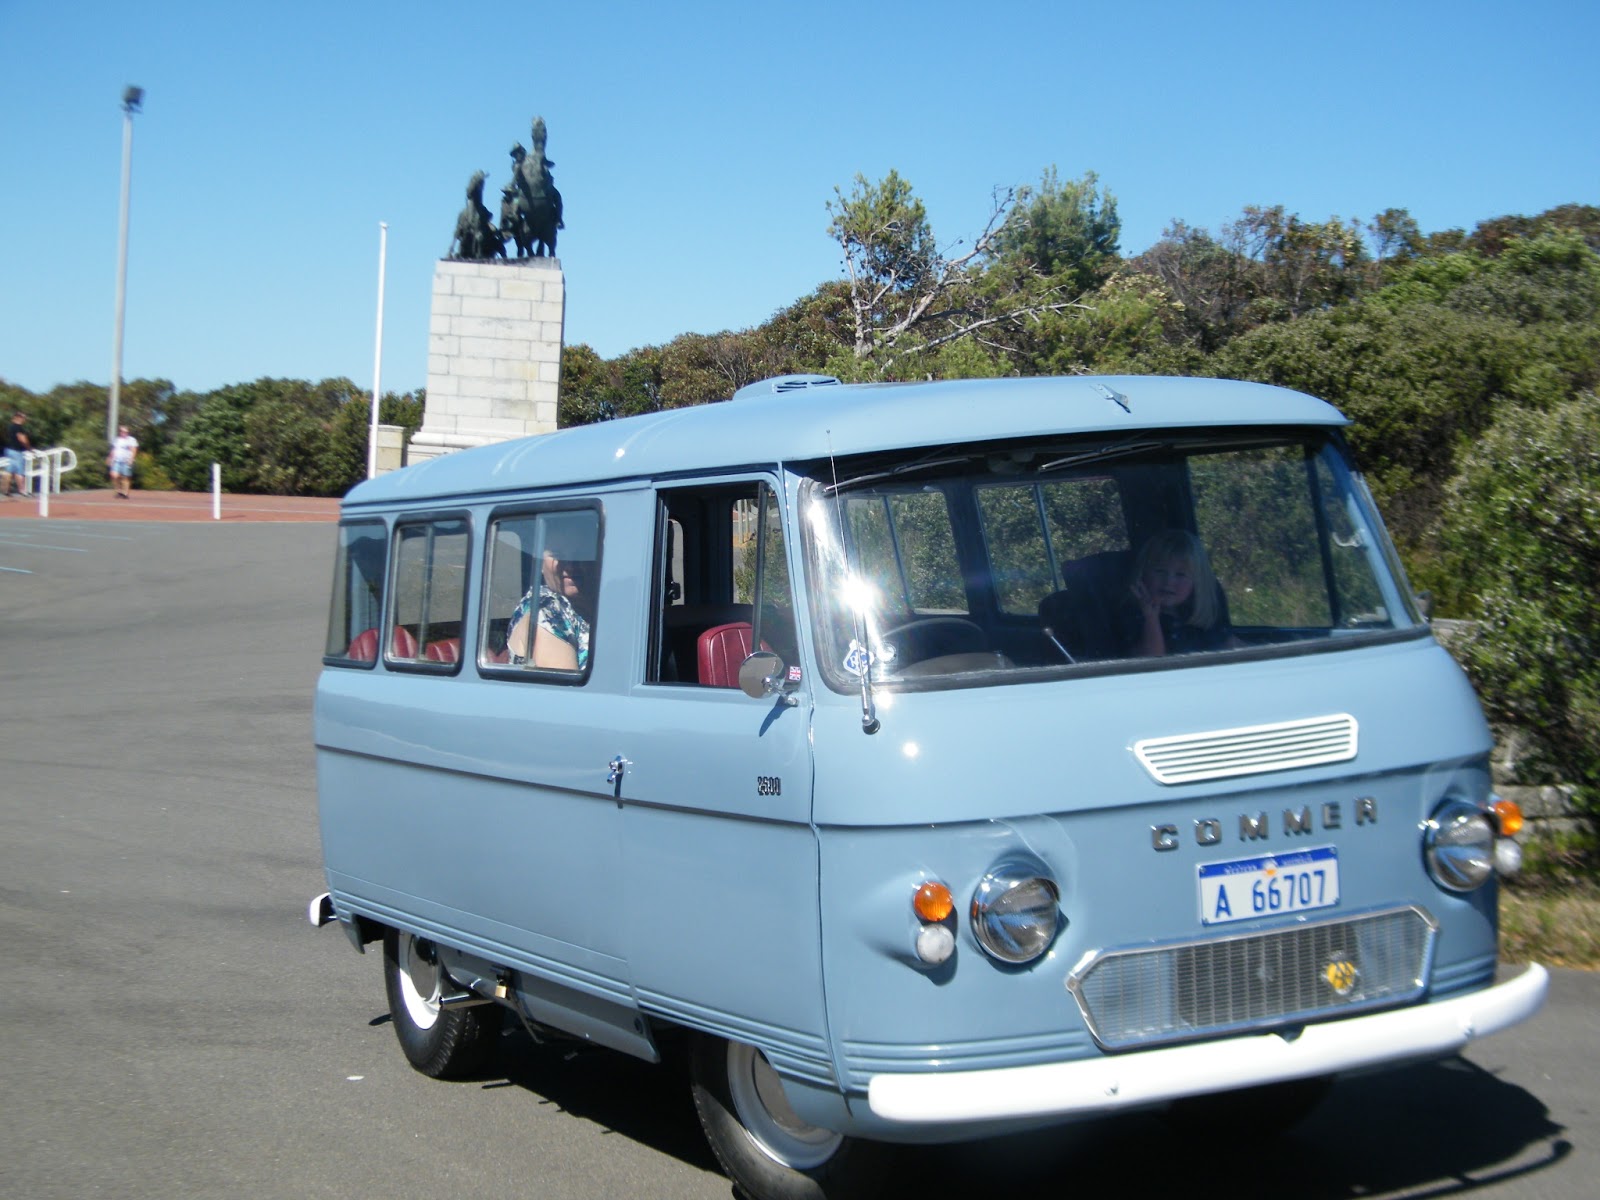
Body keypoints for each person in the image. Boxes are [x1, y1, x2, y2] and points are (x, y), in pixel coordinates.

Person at [1121, 529, 1237, 657]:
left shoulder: (1201, 623)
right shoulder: (1134, 616)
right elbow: (1151, 661)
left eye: (1180, 574)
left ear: (1197, 584)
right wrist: (1151, 618)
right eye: (1160, 571)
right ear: (1142, 574)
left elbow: (1232, 647)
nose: (1168, 581)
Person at [506, 546, 593, 670]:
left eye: (579, 554)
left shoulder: (596, 604)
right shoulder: (547, 608)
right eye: (558, 555)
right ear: (540, 562)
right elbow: (566, 686)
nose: (570, 566)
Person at [107, 424, 139, 498]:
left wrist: (131, 459)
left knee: (125, 477)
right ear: (120, 432)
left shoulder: (131, 440)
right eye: (122, 431)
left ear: (128, 432)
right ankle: (118, 491)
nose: (123, 433)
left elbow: (133, 450)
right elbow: (114, 449)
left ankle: (125, 493)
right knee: (114, 475)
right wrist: (110, 458)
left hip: (126, 460)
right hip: (117, 460)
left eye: (125, 431)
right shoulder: (117, 440)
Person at [4, 412, 31, 497]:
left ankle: (6, 490)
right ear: (19, 418)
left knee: (9, 471)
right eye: (24, 418)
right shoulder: (19, 428)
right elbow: (22, 439)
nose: (24, 420)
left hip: (9, 450)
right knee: (19, 471)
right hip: (17, 451)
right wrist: (29, 448)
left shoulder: (10, 427)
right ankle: (22, 490)